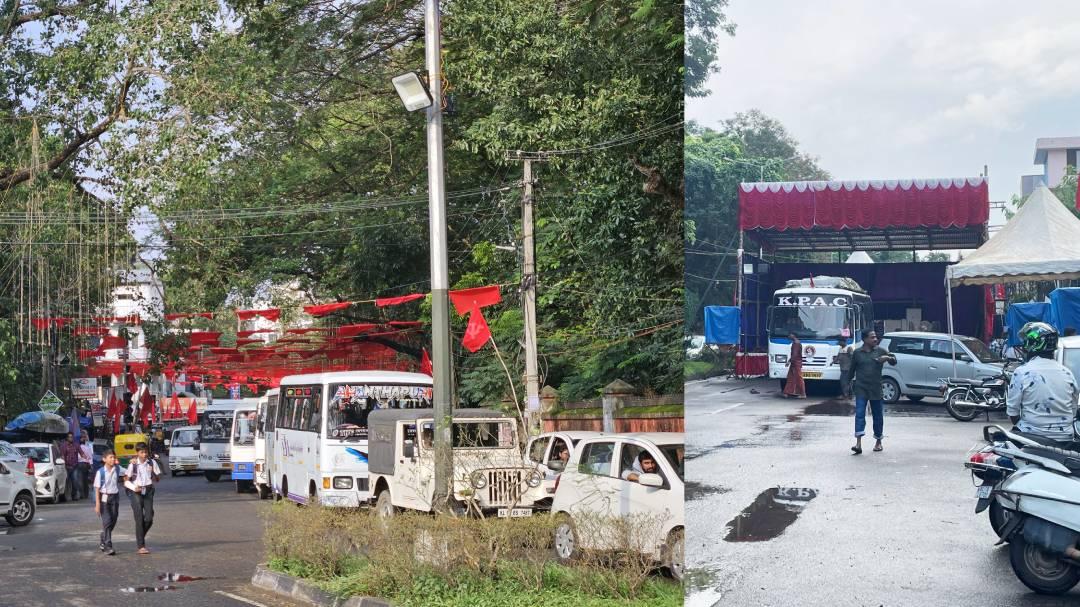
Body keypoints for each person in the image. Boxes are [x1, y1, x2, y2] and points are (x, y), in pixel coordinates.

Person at [1007, 322, 1079, 445]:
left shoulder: (1022, 372)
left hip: (1030, 439)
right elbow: (1072, 412)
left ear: (1032, 344)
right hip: (1065, 440)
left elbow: (1013, 414)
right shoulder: (1068, 374)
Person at [850, 329, 896, 455]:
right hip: (861, 388)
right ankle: (858, 444)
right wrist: (846, 385)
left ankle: (878, 442)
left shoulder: (881, 351)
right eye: (872, 337)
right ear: (864, 339)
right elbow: (851, 370)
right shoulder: (857, 353)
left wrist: (887, 358)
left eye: (876, 337)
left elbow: (894, 360)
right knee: (859, 415)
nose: (875, 339)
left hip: (876, 389)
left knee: (877, 416)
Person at [126, 442, 161, 555]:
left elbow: (157, 478)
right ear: (137, 453)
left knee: (149, 517)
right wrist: (133, 487)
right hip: (136, 491)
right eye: (142, 452)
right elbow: (126, 480)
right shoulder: (133, 464)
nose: (144, 454)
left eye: (145, 452)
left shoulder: (151, 462)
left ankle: (140, 535)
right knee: (139, 518)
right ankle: (141, 546)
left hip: (148, 490)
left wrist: (153, 472)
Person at [93, 450, 123, 555]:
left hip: (115, 497)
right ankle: (108, 545)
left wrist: (133, 462)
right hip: (104, 498)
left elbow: (128, 473)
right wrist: (97, 504)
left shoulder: (118, 469)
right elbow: (97, 488)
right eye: (110, 457)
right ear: (104, 459)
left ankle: (103, 536)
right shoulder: (100, 472)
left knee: (113, 520)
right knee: (107, 521)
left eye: (114, 457)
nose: (113, 459)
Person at [782, 332, 807, 399]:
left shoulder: (796, 343)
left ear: (793, 335)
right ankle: (787, 392)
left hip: (796, 363)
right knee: (791, 377)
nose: (789, 336)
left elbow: (795, 354)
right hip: (795, 362)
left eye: (790, 334)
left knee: (798, 378)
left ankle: (803, 393)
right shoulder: (797, 342)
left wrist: (789, 361)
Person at [60, 432, 81, 501]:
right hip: (66, 467)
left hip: (74, 466)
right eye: (69, 437)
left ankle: (74, 495)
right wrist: (63, 463)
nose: (71, 438)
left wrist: (87, 458)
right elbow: (62, 455)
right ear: (67, 438)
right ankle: (64, 496)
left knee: (75, 481)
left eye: (72, 437)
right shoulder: (64, 446)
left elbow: (81, 453)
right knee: (66, 482)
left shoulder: (76, 445)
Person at [78, 434, 93, 499]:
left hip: (79, 464)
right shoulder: (88, 448)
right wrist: (91, 465)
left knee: (80, 479)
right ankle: (86, 494)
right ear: (84, 442)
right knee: (85, 479)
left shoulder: (77, 447)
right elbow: (90, 457)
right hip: (86, 464)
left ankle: (82, 494)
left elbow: (77, 457)